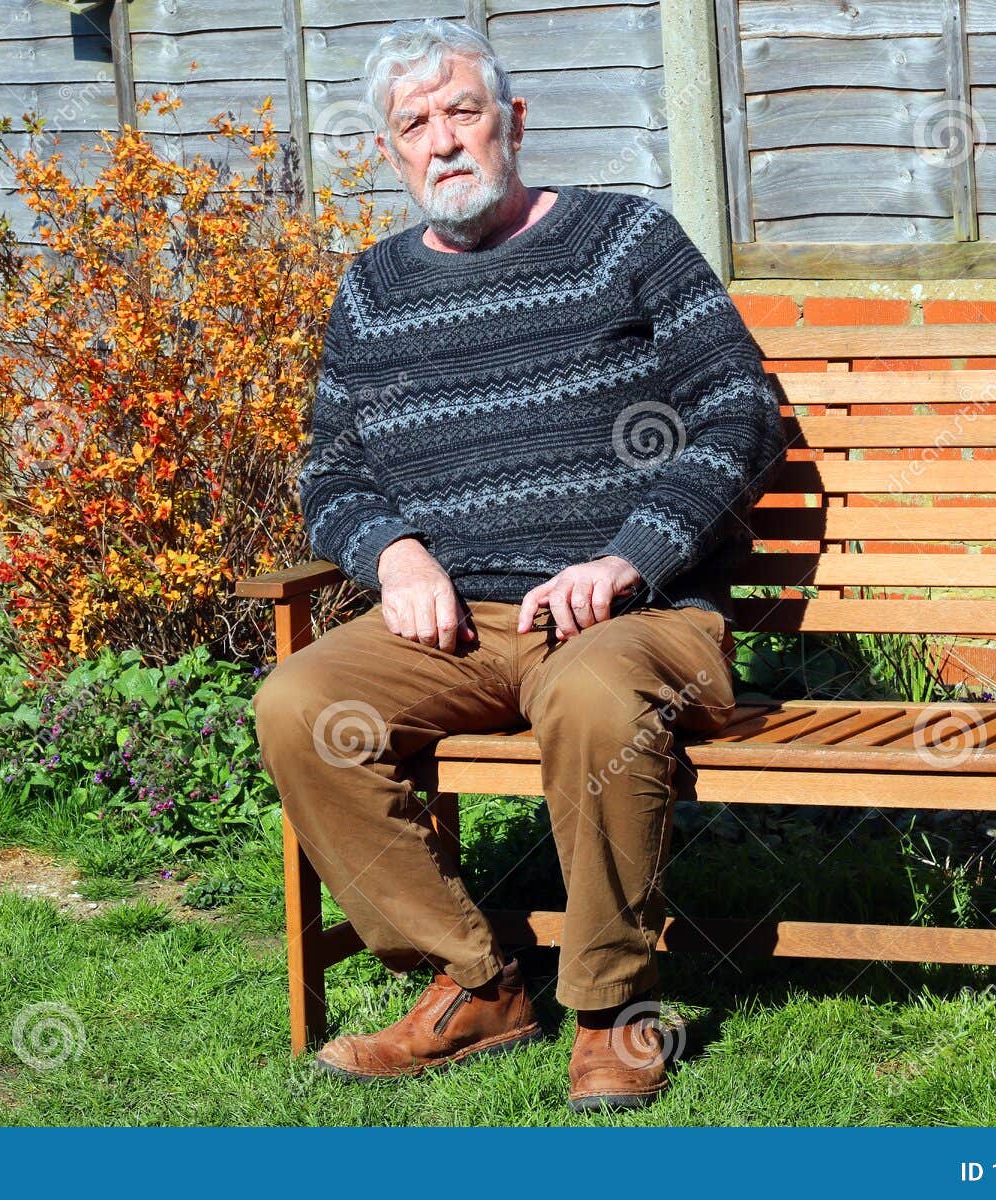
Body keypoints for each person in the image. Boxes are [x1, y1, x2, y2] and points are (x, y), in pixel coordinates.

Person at [251, 16, 786, 1113]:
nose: (442, 139)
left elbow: (739, 409)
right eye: (415, 124)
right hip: (457, 625)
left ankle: (610, 1008)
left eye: (461, 111)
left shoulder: (625, 240)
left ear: (513, 122)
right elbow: (330, 470)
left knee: (594, 694)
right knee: (298, 699)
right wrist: (393, 553)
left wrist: (628, 554)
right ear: (392, 153)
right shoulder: (371, 292)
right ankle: (475, 978)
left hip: (639, 615)